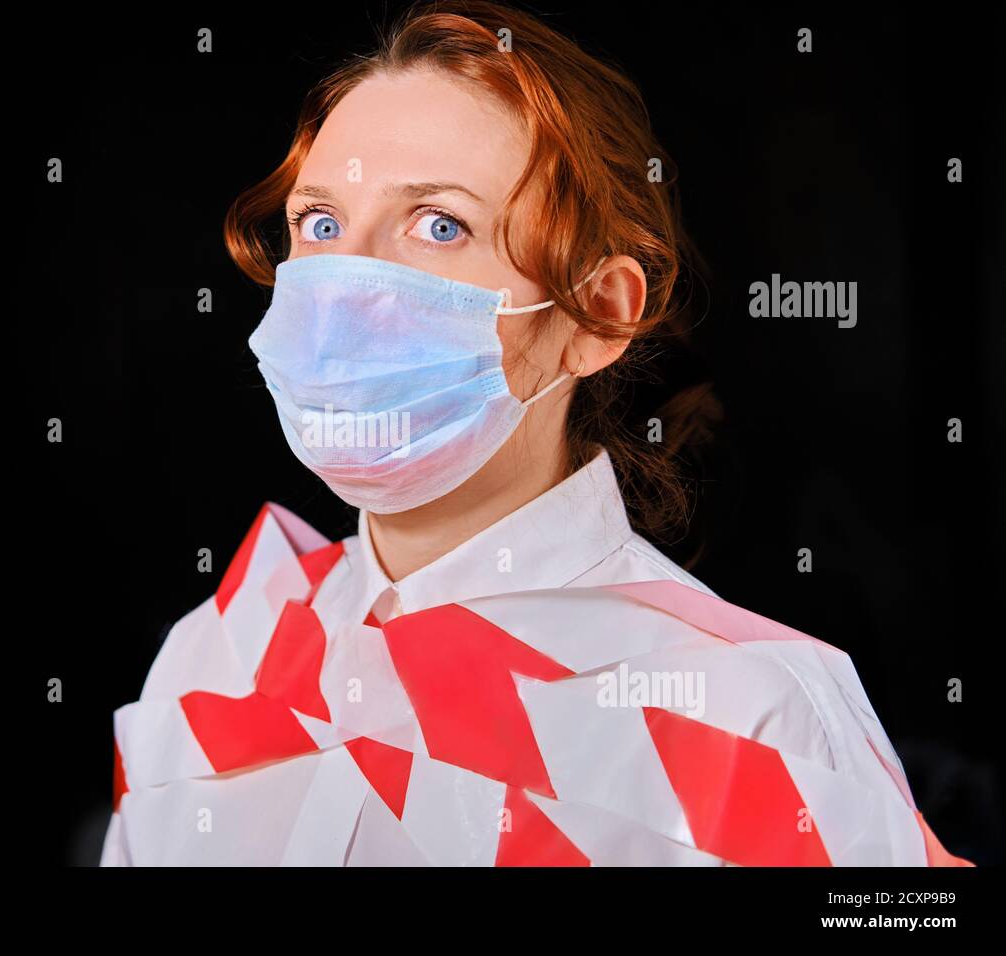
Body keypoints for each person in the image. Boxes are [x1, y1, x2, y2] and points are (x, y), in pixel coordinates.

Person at [100, 0, 971, 866]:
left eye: (439, 224)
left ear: (597, 316)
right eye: (320, 224)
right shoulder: (213, 657)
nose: (346, 286)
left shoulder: (750, 713)